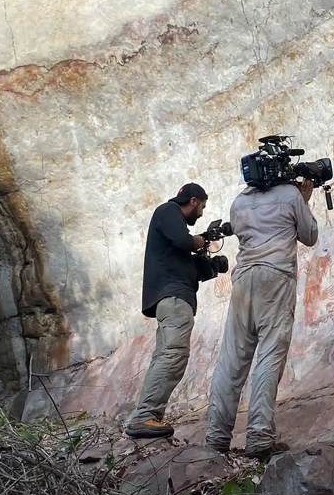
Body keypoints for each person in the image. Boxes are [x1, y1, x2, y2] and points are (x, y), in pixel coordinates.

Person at [204, 178, 318, 457]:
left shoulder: (239, 201)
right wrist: (304, 199)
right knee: (269, 355)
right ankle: (259, 438)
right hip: (275, 277)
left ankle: (216, 439)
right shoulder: (291, 195)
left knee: (231, 359)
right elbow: (310, 235)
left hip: (244, 279)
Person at [124, 183, 209, 439]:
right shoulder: (168, 211)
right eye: (202, 207)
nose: (202, 213)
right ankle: (144, 417)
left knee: (165, 356)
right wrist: (199, 240)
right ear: (193, 201)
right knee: (173, 355)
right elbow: (184, 241)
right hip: (173, 298)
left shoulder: (171, 238)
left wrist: (208, 264)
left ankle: (148, 416)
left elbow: (185, 257)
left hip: (171, 296)